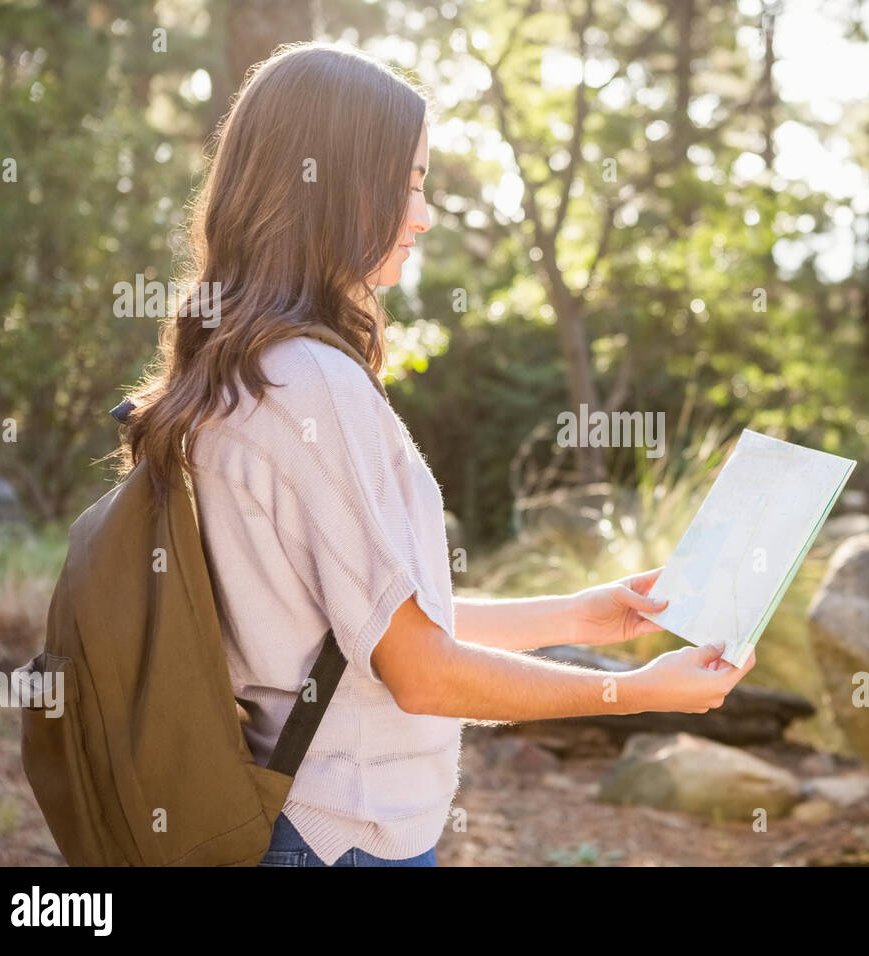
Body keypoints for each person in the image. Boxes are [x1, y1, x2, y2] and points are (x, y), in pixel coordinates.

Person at [117, 41, 754, 868]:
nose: (422, 214)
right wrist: (633, 694)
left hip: (299, 819)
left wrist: (573, 613)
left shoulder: (243, 369)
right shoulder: (312, 384)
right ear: (337, 184)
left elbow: (369, 632)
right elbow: (420, 672)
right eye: (410, 182)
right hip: (340, 833)